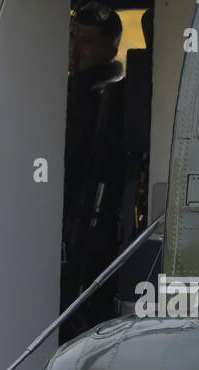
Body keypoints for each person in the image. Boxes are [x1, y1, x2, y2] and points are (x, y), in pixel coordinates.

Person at [61, 2, 127, 340]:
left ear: (111, 50)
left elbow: (63, 164)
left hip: (79, 230)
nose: (74, 49)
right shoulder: (82, 88)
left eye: (86, 42)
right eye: (72, 38)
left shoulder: (86, 95)